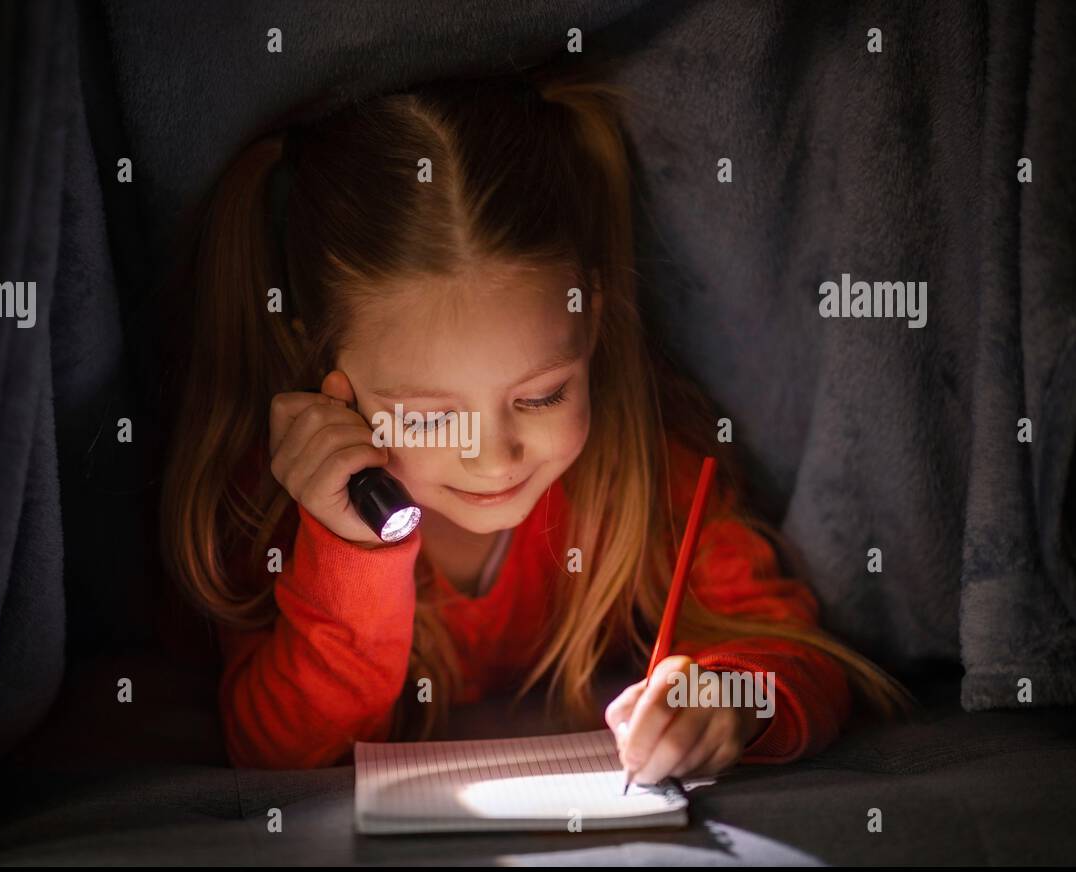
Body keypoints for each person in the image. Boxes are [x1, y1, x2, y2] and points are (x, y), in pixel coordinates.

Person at [159, 61, 914, 776]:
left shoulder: (639, 470)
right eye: (427, 419)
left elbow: (797, 653)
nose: (495, 460)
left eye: (542, 395)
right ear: (326, 378)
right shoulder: (277, 507)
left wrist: (728, 703)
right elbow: (282, 757)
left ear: (593, 324)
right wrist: (349, 548)